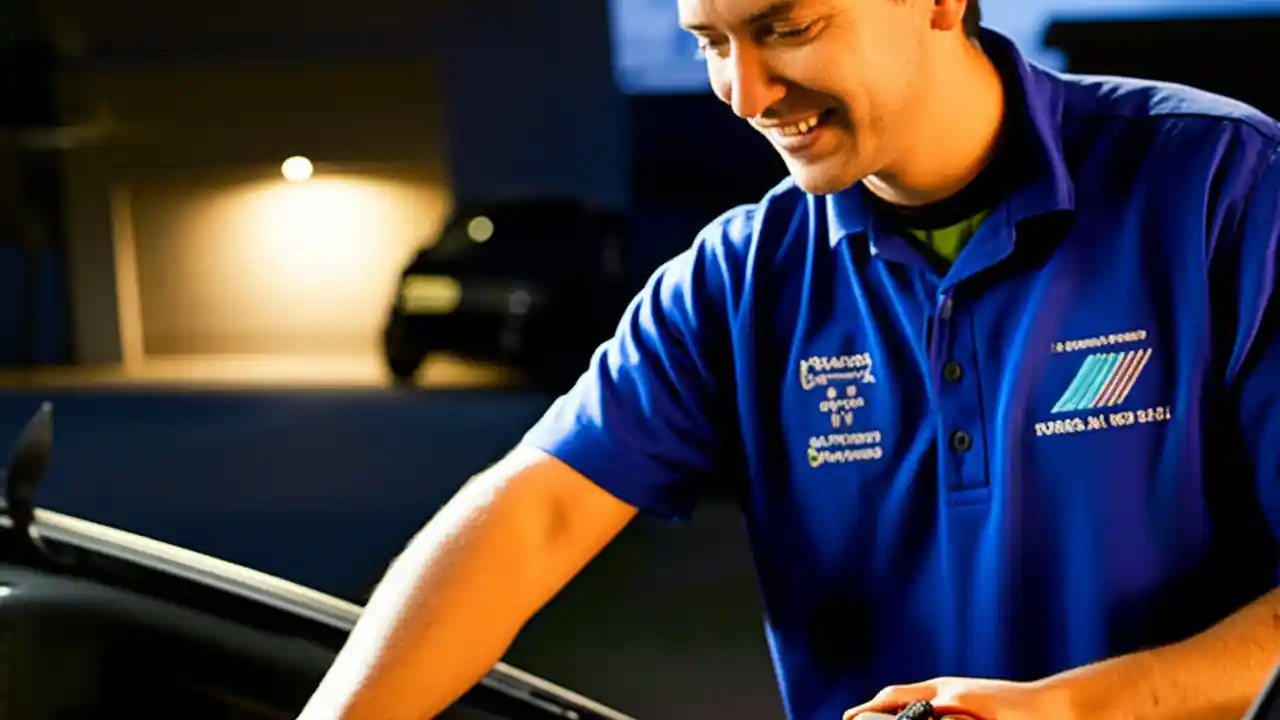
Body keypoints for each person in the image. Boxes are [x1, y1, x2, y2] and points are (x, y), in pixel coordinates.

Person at [299, 0, 1280, 718]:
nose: (744, 92)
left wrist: (1073, 709)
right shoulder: (739, 277)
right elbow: (532, 515)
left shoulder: (1224, 190)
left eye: (785, 28)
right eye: (710, 43)